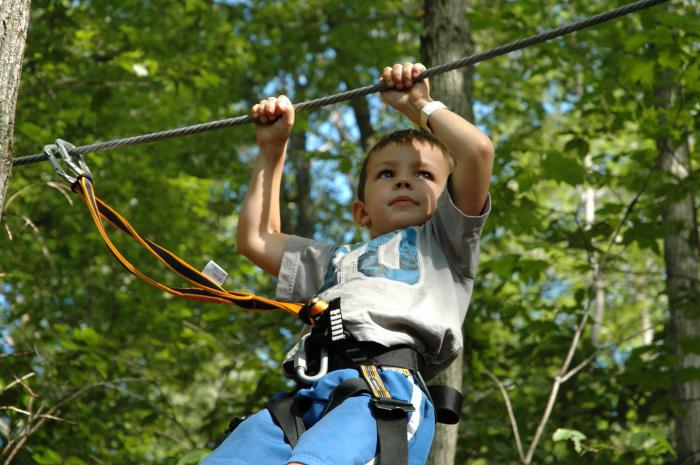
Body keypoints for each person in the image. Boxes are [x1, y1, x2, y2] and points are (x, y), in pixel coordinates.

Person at [201, 62, 493, 465]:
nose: (404, 181)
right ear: (361, 211)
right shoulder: (335, 261)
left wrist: (418, 104)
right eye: (386, 174)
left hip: (383, 391)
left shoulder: (445, 243)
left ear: (447, 197)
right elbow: (256, 239)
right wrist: (272, 150)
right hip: (304, 399)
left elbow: (477, 152)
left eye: (424, 174)